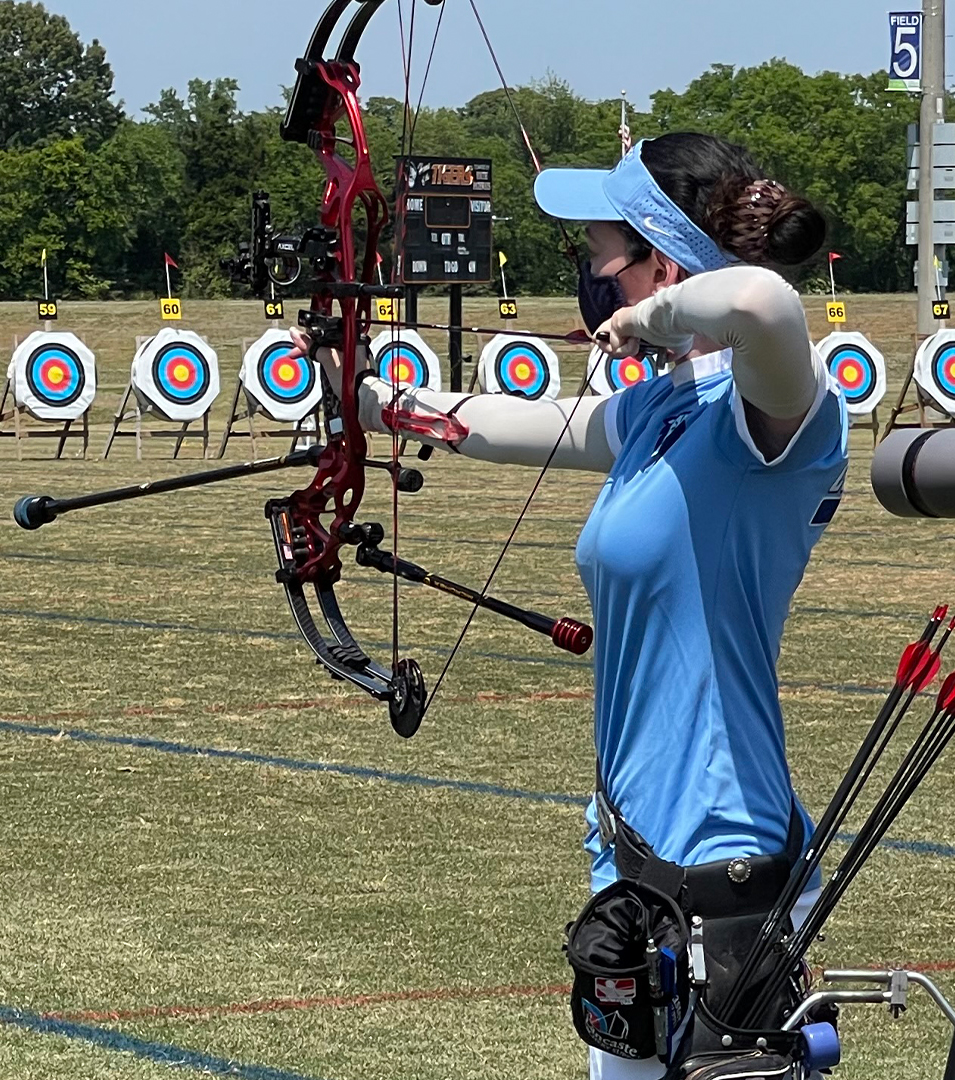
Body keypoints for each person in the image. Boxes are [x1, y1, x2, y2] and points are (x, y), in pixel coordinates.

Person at [311, 132, 845, 1078]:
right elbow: (496, 423)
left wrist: (655, 320)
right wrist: (365, 398)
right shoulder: (657, 412)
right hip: (630, 852)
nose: (589, 271)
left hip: (724, 859)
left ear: (661, 261)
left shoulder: (775, 420)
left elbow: (763, 301)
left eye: (600, 248)